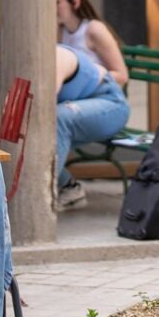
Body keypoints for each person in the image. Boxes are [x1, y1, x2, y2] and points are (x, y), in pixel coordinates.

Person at [53, 44, 129, 211]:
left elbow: (122, 76)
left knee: (58, 117)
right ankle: (68, 187)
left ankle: (42, 196)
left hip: (110, 103)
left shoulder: (58, 55)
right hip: (79, 105)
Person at [56, 0, 128, 87]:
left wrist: (84, 80)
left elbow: (121, 76)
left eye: (57, 2)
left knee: (61, 105)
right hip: (76, 95)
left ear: (75, 3)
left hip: (103, 95)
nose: (51, 7)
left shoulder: (94, 29)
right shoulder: (60, 30)